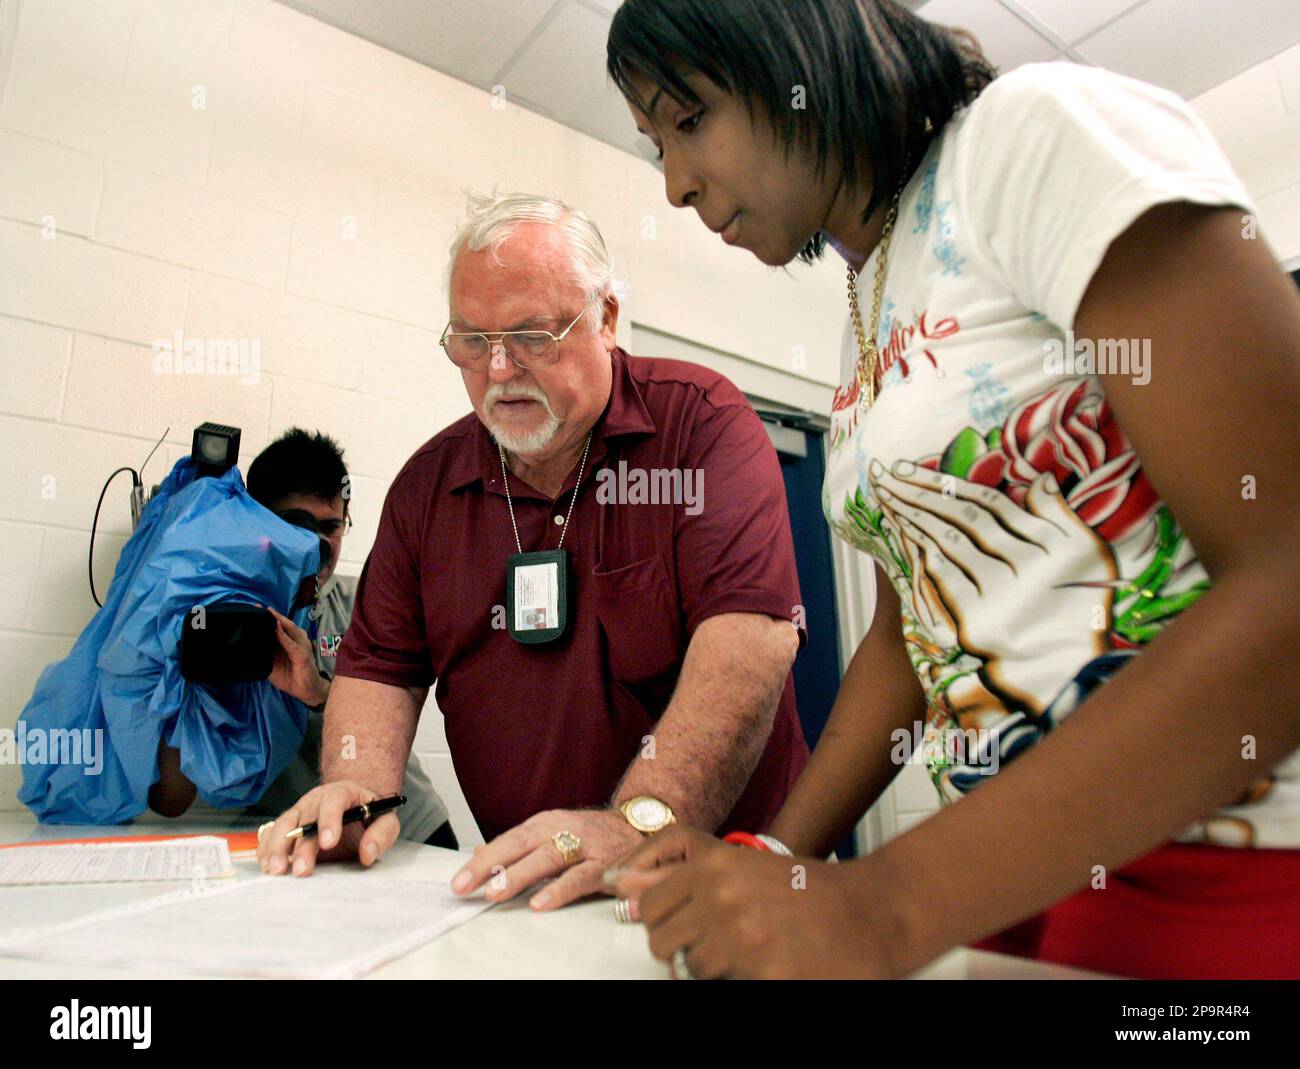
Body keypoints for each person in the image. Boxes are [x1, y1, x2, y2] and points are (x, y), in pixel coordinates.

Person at [605, 0, 1300, 979]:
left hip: (1229, 864)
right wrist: (781, 856)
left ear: (805, 47)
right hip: (1017, 870)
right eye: (652, 147)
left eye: (688, 120)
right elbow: (910, 634)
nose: (675, 184)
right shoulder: (871, 298)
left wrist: (881, 906)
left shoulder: (1032, 134)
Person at [256, 191, 810, 911]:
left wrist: (638, 821)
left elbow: (749, 645)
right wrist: (355, 789)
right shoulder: (427, 489)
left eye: (530, 335)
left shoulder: (701, 428)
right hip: (535, 896)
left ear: (606, 318)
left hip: (726, 885)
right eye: (471, 340)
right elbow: (381, 671)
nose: (498, 369)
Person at [149, 429, 454, 848]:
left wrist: (316, 692)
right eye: (297, 525)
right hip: (297, 838)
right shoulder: (218, 617)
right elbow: (170, 800)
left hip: (403, 827)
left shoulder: (364, 604)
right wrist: (187, 668)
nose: (317, 545)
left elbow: (386, 721)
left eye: (332, 527)